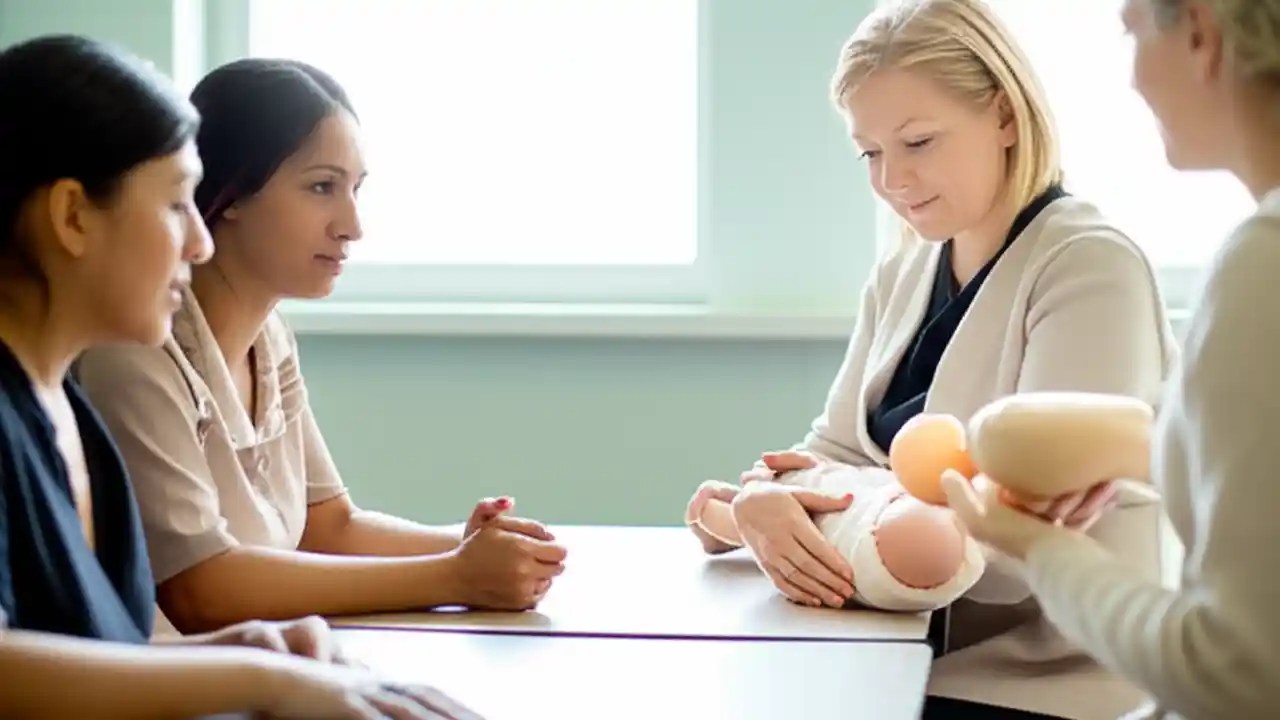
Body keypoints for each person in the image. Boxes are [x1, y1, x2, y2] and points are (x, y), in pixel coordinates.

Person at [684, 0, 1180, 717]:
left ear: (1005, 115)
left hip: (1044, 685)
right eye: (870, 152)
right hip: (897, 656)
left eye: (918, 142)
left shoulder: (1088, 267)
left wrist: (786, 516)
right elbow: (826, 454)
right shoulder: (904, 269)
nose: (891, 179)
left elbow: (1019, 534)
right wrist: (762, 502)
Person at [0, 33, 477, 719]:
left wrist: (245, 650)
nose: (199, 242)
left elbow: (86, 648)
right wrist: (262, 680)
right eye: (176, 205)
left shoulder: (68, 414)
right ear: (73, 217)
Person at [74, 57, 567, 635]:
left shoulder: (270, 336)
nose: (352, 225)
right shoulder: (134, 351)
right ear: (230, 192)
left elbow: (327, 526)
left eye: (355, 189)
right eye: (321, 187)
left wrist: (473, 548)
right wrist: (455, 575)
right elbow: (199, 588)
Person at [943, 1, 1280, 718]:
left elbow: (1237, 677)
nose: (1130, 79)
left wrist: (1039, 550)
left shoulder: (1262, 267)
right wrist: (1146, 444)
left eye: (1133, 30)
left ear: (1200, 33)